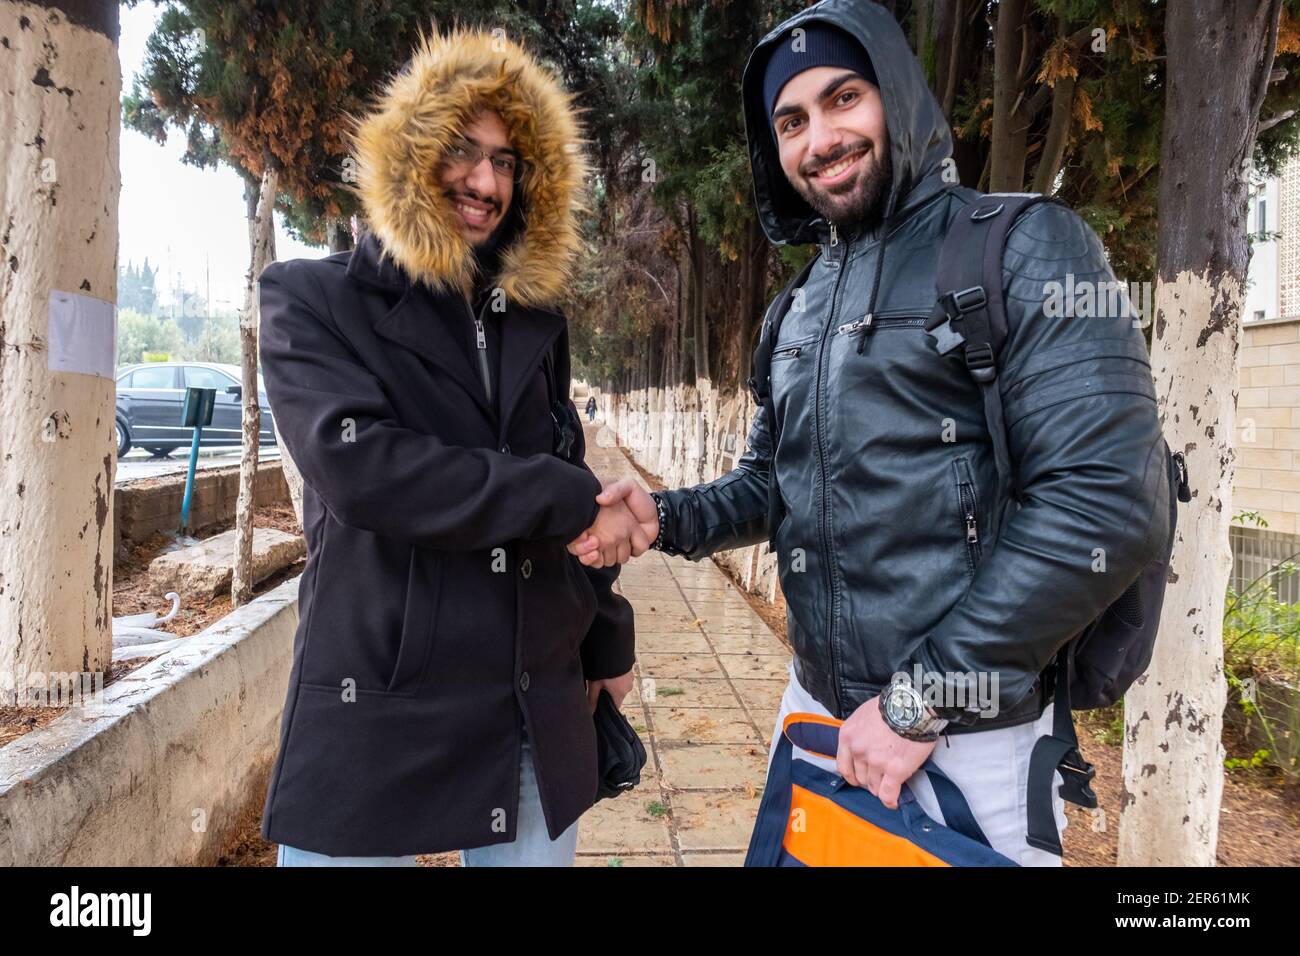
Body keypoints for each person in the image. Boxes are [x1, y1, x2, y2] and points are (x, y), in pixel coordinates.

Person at [574, 0, 1170, 865]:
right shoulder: (798, 308)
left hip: (971, 744)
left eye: (844, 97)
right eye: (792, 120)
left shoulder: (1027, 246)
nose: (820, 137)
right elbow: (775, 484)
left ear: (898, 95)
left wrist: (916, 704)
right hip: (816, 717)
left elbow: (1109, 504)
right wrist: (665, 517)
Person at [259, 27, 647, 867]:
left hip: (530, 700)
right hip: (378, 710)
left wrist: (606, 634)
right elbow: (367, 473)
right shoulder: (310, 300)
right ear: (409, 156)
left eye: (507, 162)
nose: (485, 181)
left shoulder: (534, 320)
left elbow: (565, 470)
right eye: (463, 152)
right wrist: (564, 494)